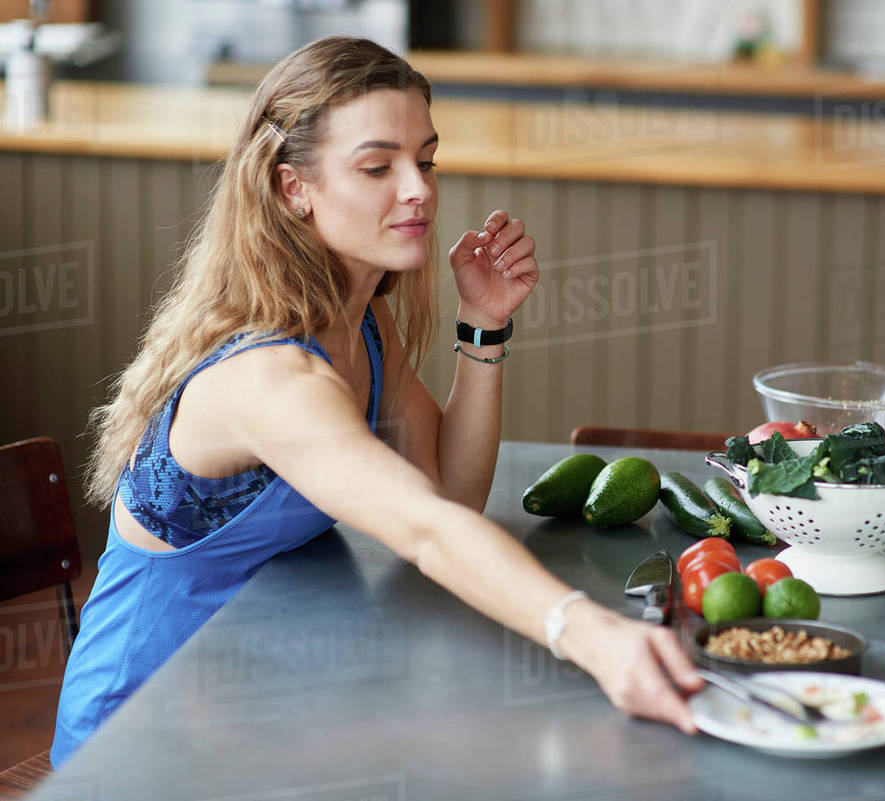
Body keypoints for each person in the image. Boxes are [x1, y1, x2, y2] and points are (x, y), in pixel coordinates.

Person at [51, 36, 702, 768]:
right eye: (376, 165)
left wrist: (483, 328)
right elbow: (425, 532)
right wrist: (598, 636)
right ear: (293, 187)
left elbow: (447, 494)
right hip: (138, 737)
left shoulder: (362, 321)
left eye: (424, 159)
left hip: (254, 705)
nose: (418, 187)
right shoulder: (267, 380)